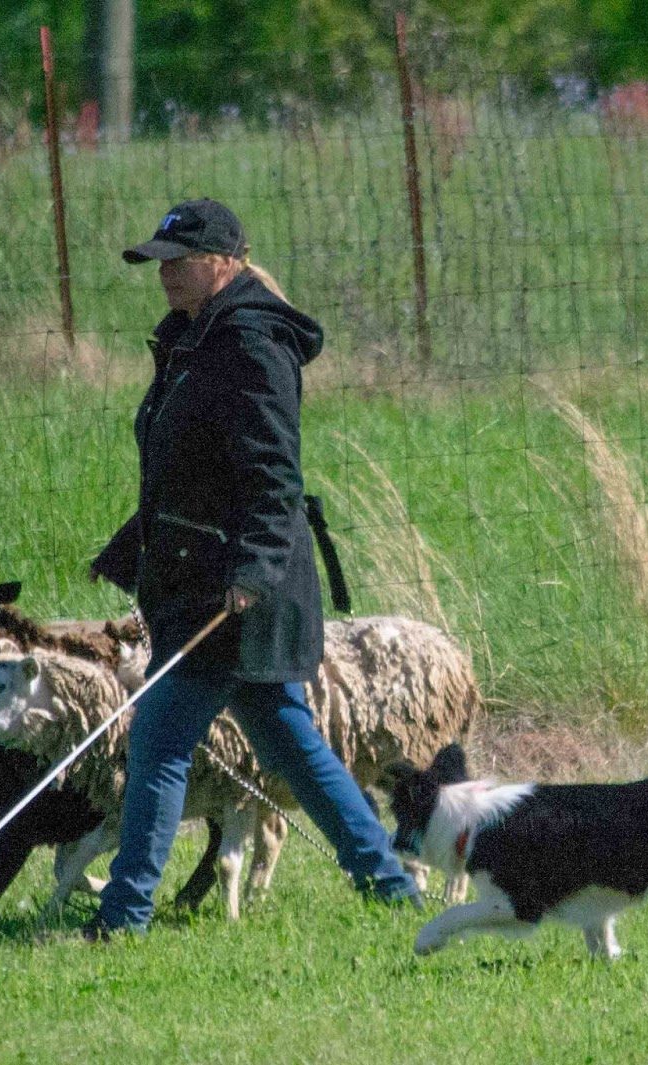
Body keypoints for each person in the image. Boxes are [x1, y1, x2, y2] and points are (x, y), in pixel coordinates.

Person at [86, 198, 422, 938]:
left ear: (227, 261)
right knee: (292, 747)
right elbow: (186, 470)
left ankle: (123, 918)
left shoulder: (250, 344)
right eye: (159, 263)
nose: (166, 275)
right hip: (201, 573)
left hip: (239, 588)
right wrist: (129, 547)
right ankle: (391, 886)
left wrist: (254, 569)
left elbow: (274, 475)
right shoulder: (193, 337)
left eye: (180, 261)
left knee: (159, 743)